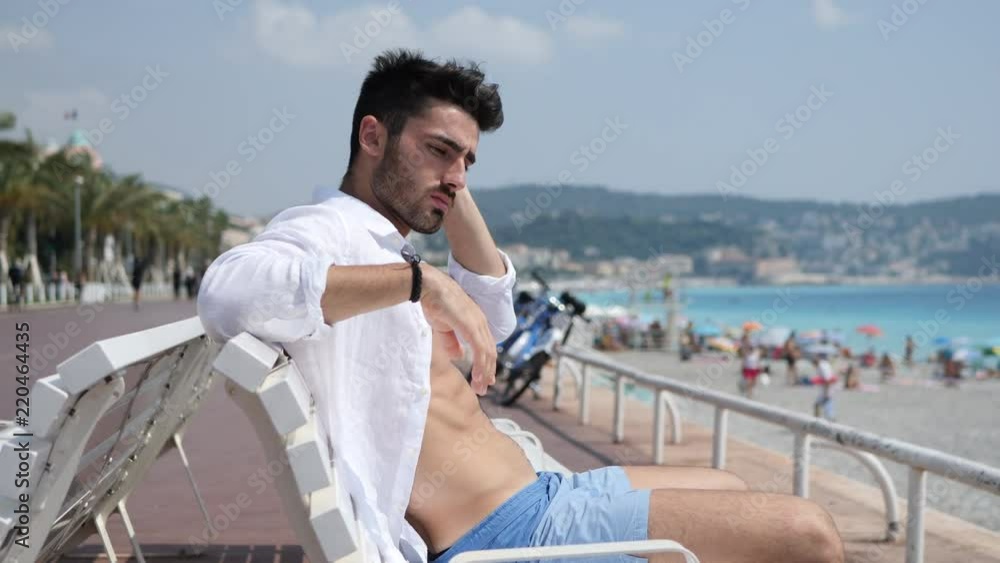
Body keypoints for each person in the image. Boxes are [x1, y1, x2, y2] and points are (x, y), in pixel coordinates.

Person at [197, 50, 843, 563]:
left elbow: (492, 317)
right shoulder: (330, 233)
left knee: (732, 489)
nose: (458, 176)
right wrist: (423, 281)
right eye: (438, 149)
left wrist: (443, 181)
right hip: (511, 531)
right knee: (808, 534)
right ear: (373, 135)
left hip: (540, 492)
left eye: (468, 162)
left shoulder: (379, 247)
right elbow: (226, 290)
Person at [813, 355, 837, 420]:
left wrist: (826, 392)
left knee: (824, 405)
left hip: (827, 389)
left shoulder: (822, 366)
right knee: (822, 405)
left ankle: (817, 419)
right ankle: (817, 419)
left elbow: (827, 380)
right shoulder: (823, 364)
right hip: (826, 388)